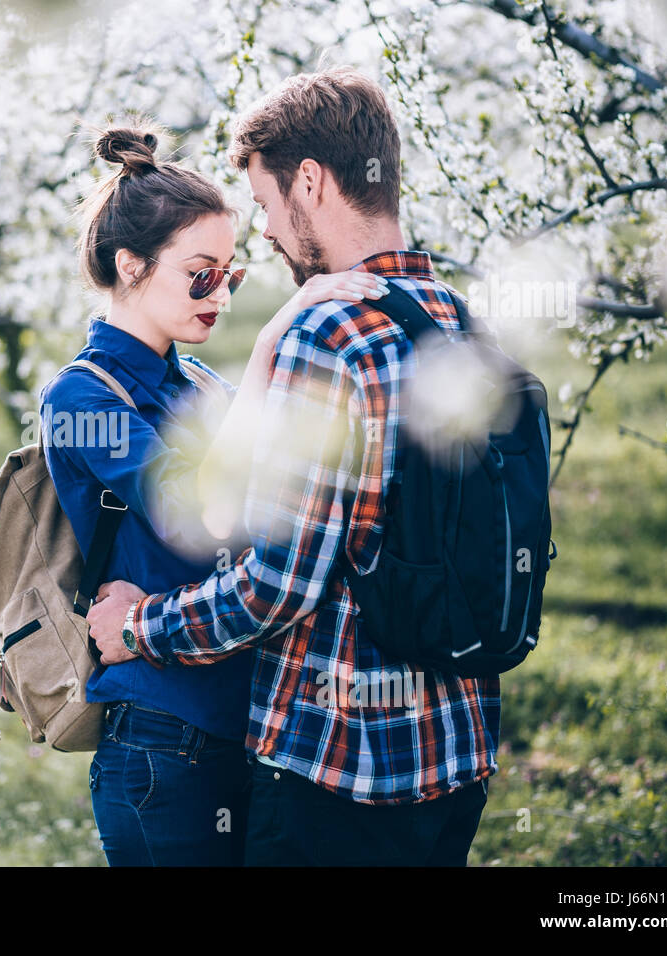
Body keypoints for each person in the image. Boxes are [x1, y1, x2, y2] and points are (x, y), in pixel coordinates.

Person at [87, 66, 499, 867]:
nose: (268, 234)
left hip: (338, 775)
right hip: (457, 754)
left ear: (310, 181)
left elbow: (274, 585)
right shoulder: (455, 318)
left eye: (270, 207)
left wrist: (135, 628)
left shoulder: (328, 336)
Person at [42, 120, 385, 867]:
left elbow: (271, 509)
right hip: (164, 741)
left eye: (229, 276)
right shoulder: (79, 399)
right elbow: (195, 508)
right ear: (131, 266)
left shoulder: (201, 384)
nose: (220, 296)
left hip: (252, 727)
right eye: (200, 274)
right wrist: (275, 345)